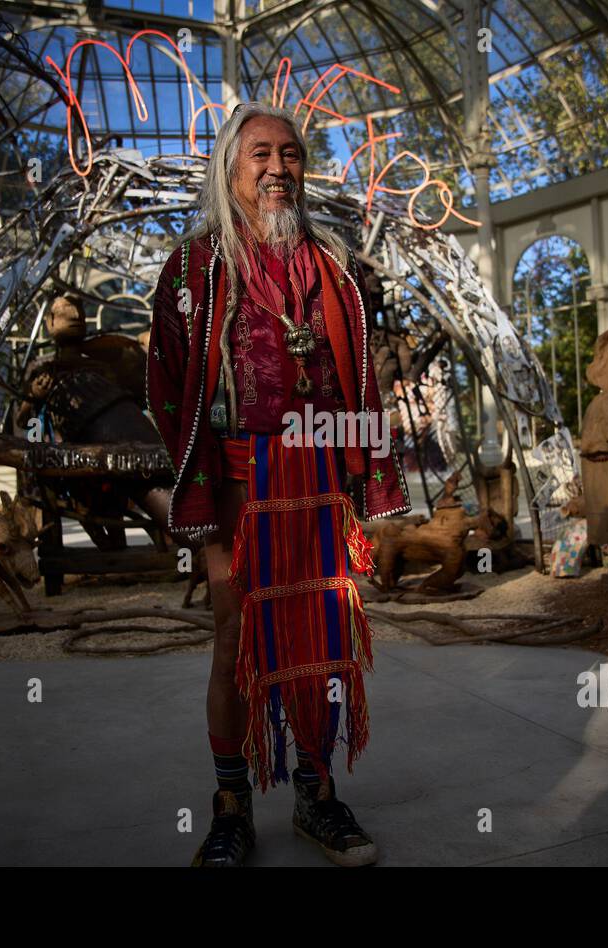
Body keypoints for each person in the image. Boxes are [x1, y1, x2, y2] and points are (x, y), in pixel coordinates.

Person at [146, 102, 410, 867]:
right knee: (235, 639)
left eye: (290, 154)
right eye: (259, 153)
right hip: (235, 481)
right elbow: (167, 382)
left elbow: (362, 378)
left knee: (324, 642)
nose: (277, 168)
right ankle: (231, 805)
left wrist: (367, 468)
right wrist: (191, 480)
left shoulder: (337, 266)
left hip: (320, 477)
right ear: (231, 168)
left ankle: (316, 796)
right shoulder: (196, 268)